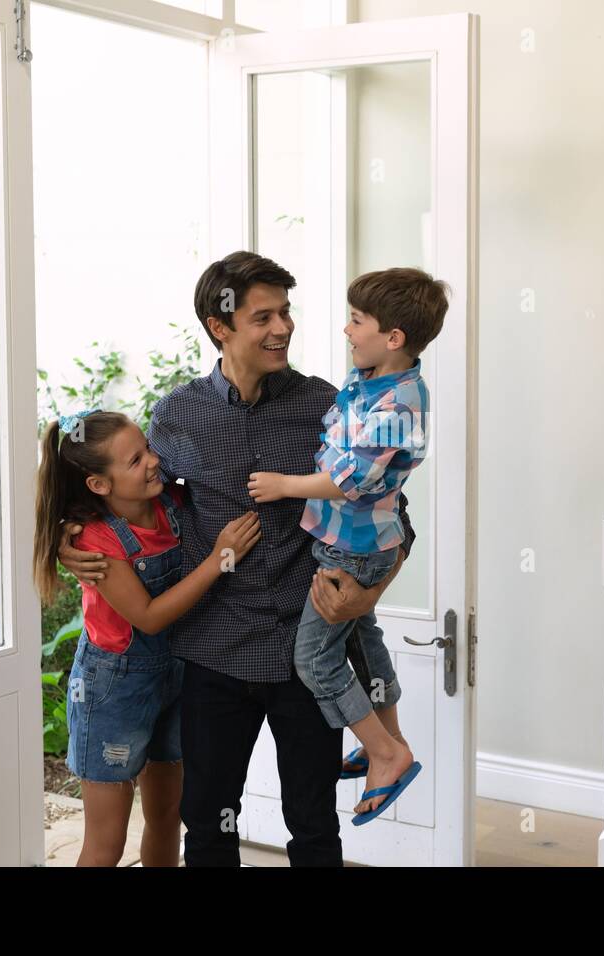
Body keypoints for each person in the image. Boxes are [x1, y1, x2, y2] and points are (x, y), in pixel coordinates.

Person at [58, 251, 417, 865]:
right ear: (218, 326)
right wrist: (73, 539)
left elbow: (393, 515)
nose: (283, 328)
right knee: (208, 824)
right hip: (210, 657)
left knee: (312, 824)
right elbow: (131, 496)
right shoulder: (178, 417)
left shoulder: (326, 407)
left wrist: (369, 596)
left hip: (303, 652)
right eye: (263, 317)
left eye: (286, 312)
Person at [247, 267, 447, 824]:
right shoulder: (374, 379)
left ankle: (388, 755)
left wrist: (285, 485)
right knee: (364, 638)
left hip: (354, 550)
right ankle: (388, 734)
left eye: (358, 321)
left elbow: (353, 479)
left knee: (314, 658)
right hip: (354, 542)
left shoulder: (398, 404)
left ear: (394, 338)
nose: (346, 330)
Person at [34, 409, 260, 865]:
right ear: (99, 484)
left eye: (148, 449)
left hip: (175, 676)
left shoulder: (171, 503)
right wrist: (220, 559)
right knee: (106, 843)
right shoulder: (95, 541)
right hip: (114, 687)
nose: (153, 462)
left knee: (166, 819)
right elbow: (150, 617)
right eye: (135, 460)